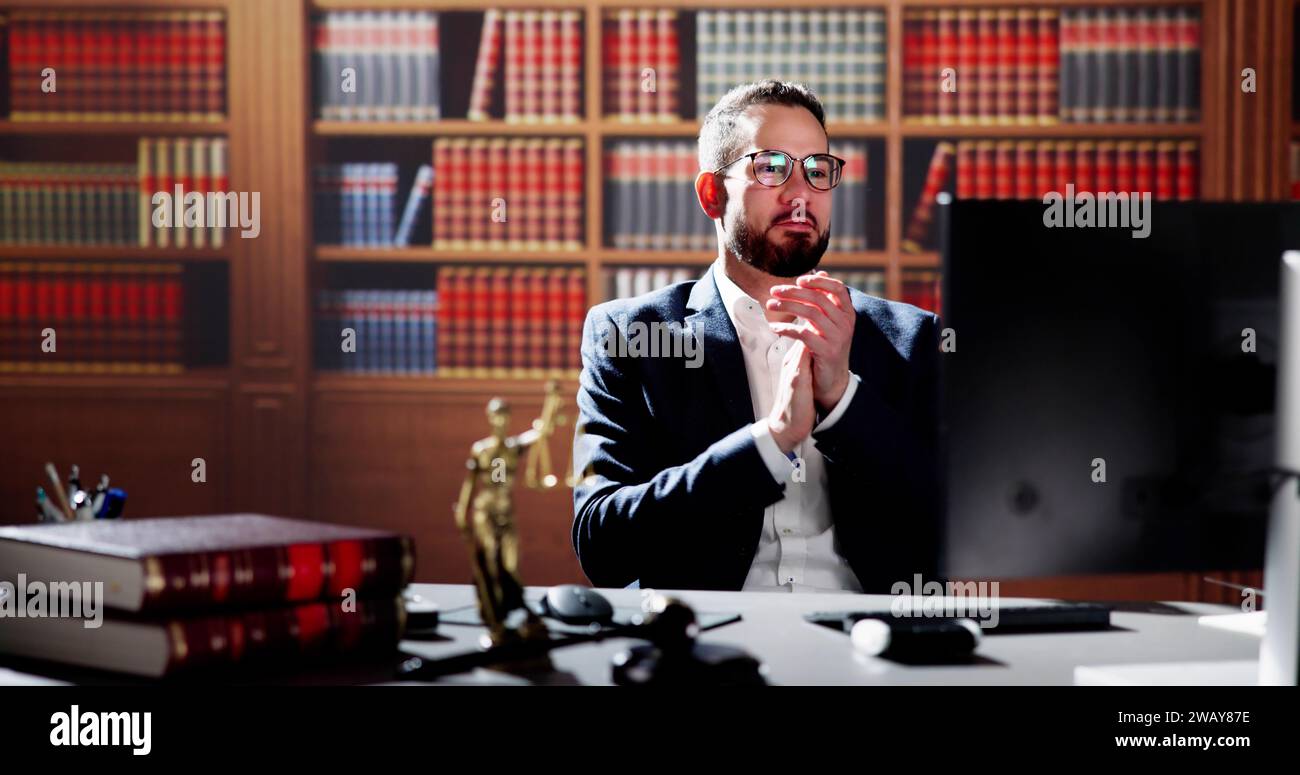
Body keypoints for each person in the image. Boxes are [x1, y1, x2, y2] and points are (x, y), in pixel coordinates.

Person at [572, 80, 941, 593]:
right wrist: (772, 442)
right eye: (771, 167)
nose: (800, 194)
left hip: (872, 644)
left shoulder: (913, 338)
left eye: (817, 170)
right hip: (706, 647)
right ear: (711, 194)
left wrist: (842, 401)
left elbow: (948, 526)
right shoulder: (630, 336)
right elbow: (602, 546)